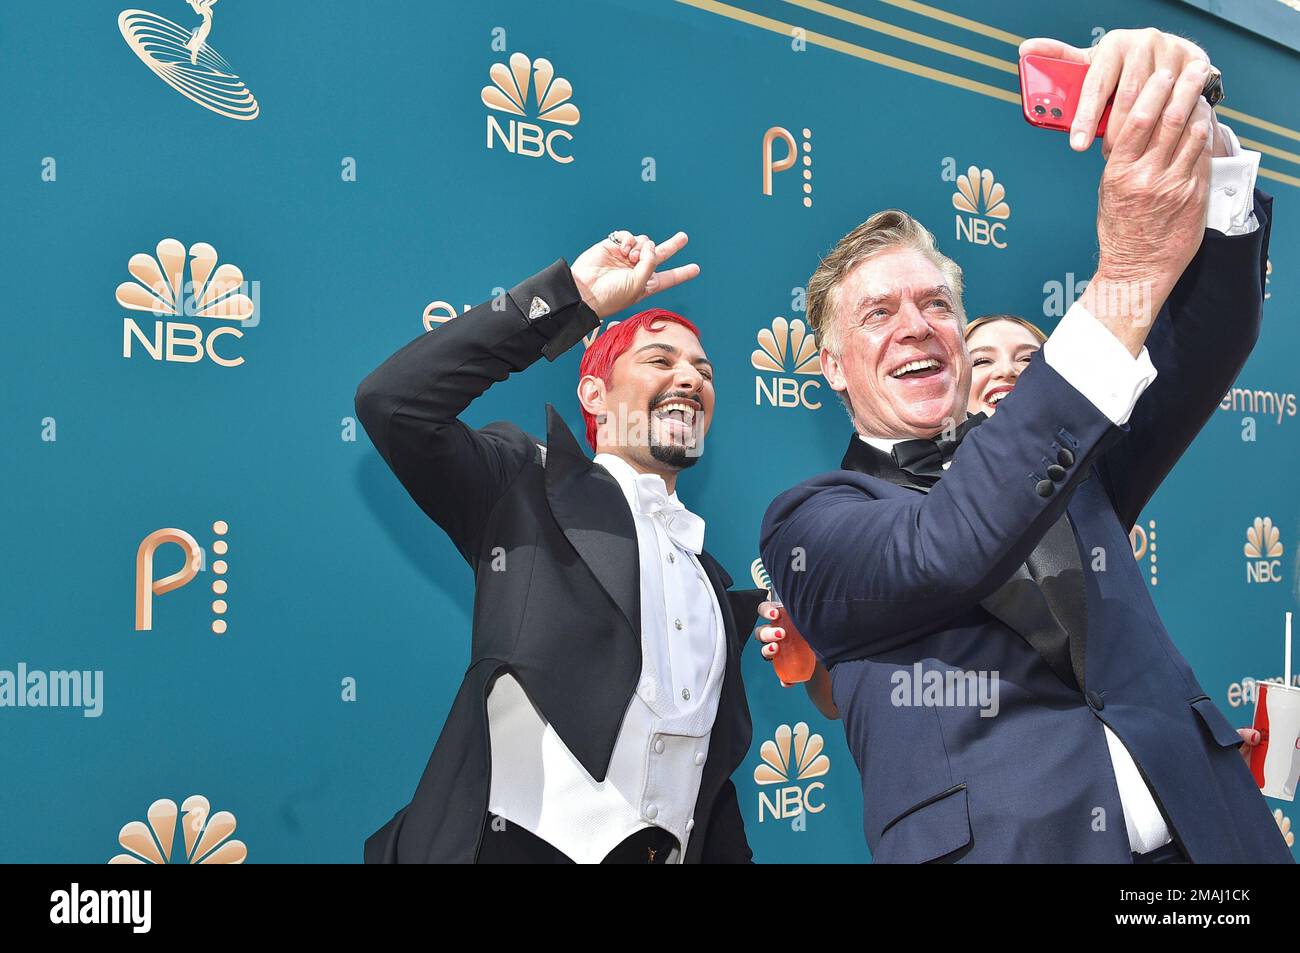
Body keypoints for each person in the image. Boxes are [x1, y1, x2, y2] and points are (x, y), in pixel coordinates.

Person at [758, 28, 1291, 862]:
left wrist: (1203, 147)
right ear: (828, 364)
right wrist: (1124, 282)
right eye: (878, 313)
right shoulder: (807, 526)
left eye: (936, 303)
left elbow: (1208, 341)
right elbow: (949, 549)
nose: (915, 327)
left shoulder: (1068, 464)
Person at [355, 229, 765, 863]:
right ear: (594, 395)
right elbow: (394, 404)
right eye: (660, 360)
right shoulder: (523, 485)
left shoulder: (711, 581)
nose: (689, 378)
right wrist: (570, 298)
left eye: (703, 371)